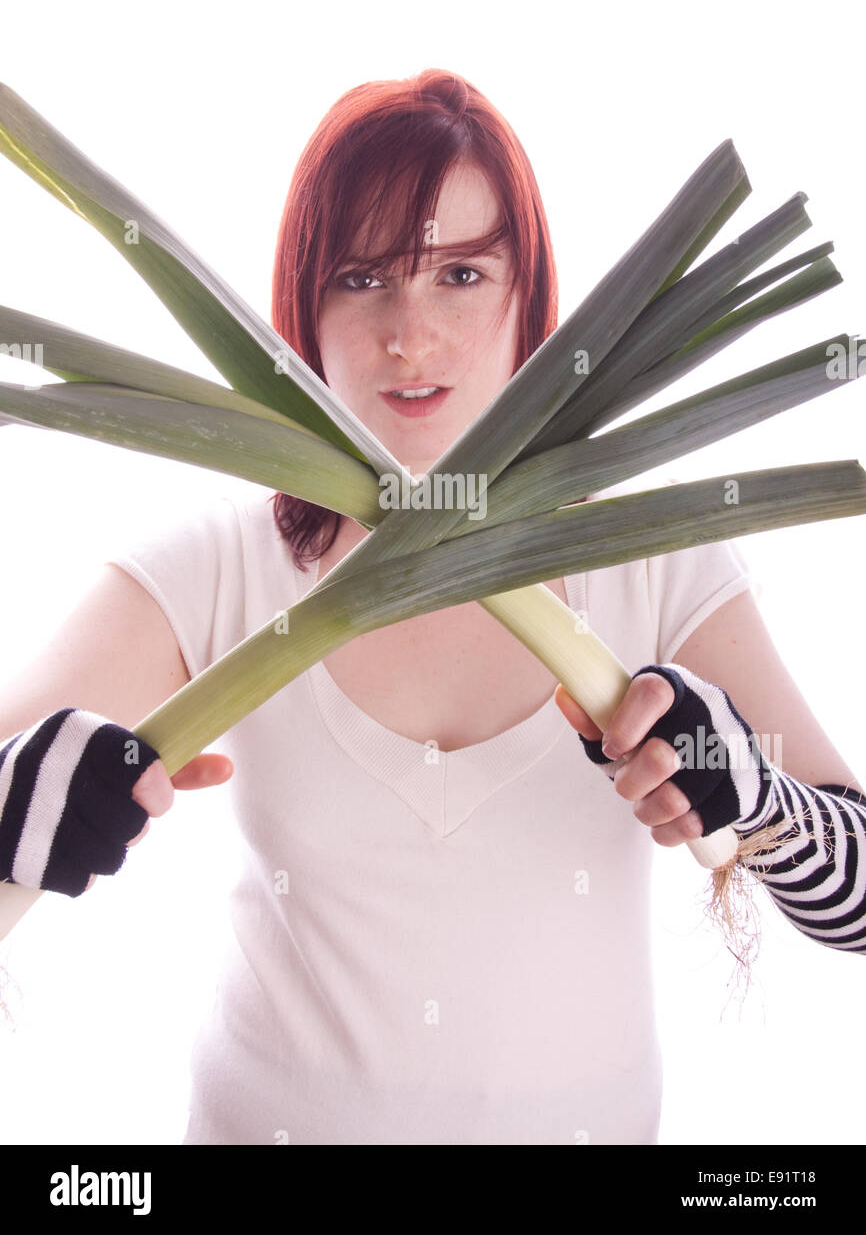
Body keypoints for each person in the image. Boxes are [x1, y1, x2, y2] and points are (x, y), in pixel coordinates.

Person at [1, 69, 864, 1146]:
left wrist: (754, 791)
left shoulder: (653, 562)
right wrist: (17, 813)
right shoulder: (217, 564)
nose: (410, 332)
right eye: (361, 276)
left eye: (460, 271)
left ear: (530, 299)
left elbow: (863, 901)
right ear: (298, 314)